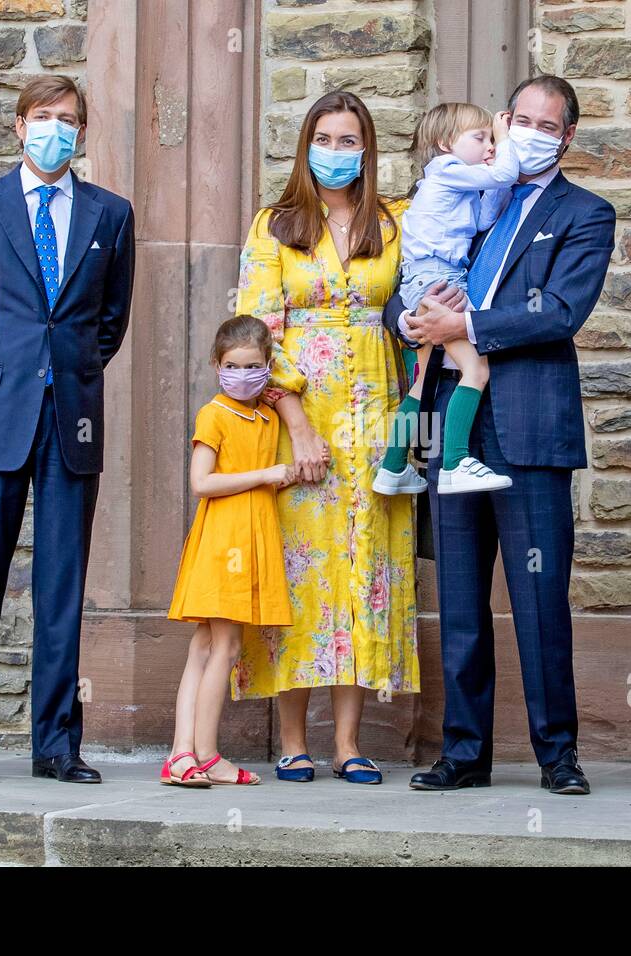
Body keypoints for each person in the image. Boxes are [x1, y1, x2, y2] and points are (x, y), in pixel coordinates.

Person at [384, 75, 616, 794]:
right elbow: (418, 268)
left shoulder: (586, 213)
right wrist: (409, 319)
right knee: (458, 599)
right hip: (451, 414)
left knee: (538, 599)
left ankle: (558, 755)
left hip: (529, 428)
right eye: (522, 119)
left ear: (568, 135)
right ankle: (463, 752)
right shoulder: (473, 190)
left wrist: (468, 327)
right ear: (506, 118)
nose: (532, 132)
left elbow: (559, 310)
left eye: (549, 125)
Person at [0, 76, 135, 785]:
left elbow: (108, 322)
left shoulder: (111, 215)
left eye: (69, 119)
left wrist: (66, 373)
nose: (57, 129)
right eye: (43, 117)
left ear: (84, 133)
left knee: (61, 590)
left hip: (70, 421)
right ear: (19, 127)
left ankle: (55, 745)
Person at [234, 91, 418, 785]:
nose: (336, 152)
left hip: (375, 417)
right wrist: (296, 420)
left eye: (349, 141)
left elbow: (417, 305)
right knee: (301, 571)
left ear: (367, 150)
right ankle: (291, 739)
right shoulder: (275, 225)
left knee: (363, 572)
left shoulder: (391, 225)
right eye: (325, 138)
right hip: (297, 418)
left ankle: (348, 741)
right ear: (304, 143)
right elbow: (256, 333)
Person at [162, 317, 298, 788]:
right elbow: (202, 483)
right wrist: (266, 474)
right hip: (224, 540)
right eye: (232, 366)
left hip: (252, 533)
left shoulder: (265, 415)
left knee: (205, 645)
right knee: (226, 645)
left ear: (268, 366)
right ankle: (205, 755)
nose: (243, 374)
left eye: (254, 366)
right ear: (217, 365)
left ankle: (182, 755)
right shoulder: (214, 414)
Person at [374, 102, 518, 497]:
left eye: (491, 139)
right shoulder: (448, 170)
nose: (489, 145)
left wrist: (497, 172)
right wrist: (505, 141)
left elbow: (486, 215)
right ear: (444, 144)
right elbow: (503, 173)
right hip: (441, 279)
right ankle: (455, 463)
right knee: (477, 372)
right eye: (480, 138)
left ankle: (392, 468)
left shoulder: (455, 184)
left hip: (426, 280)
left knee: (422, 383)